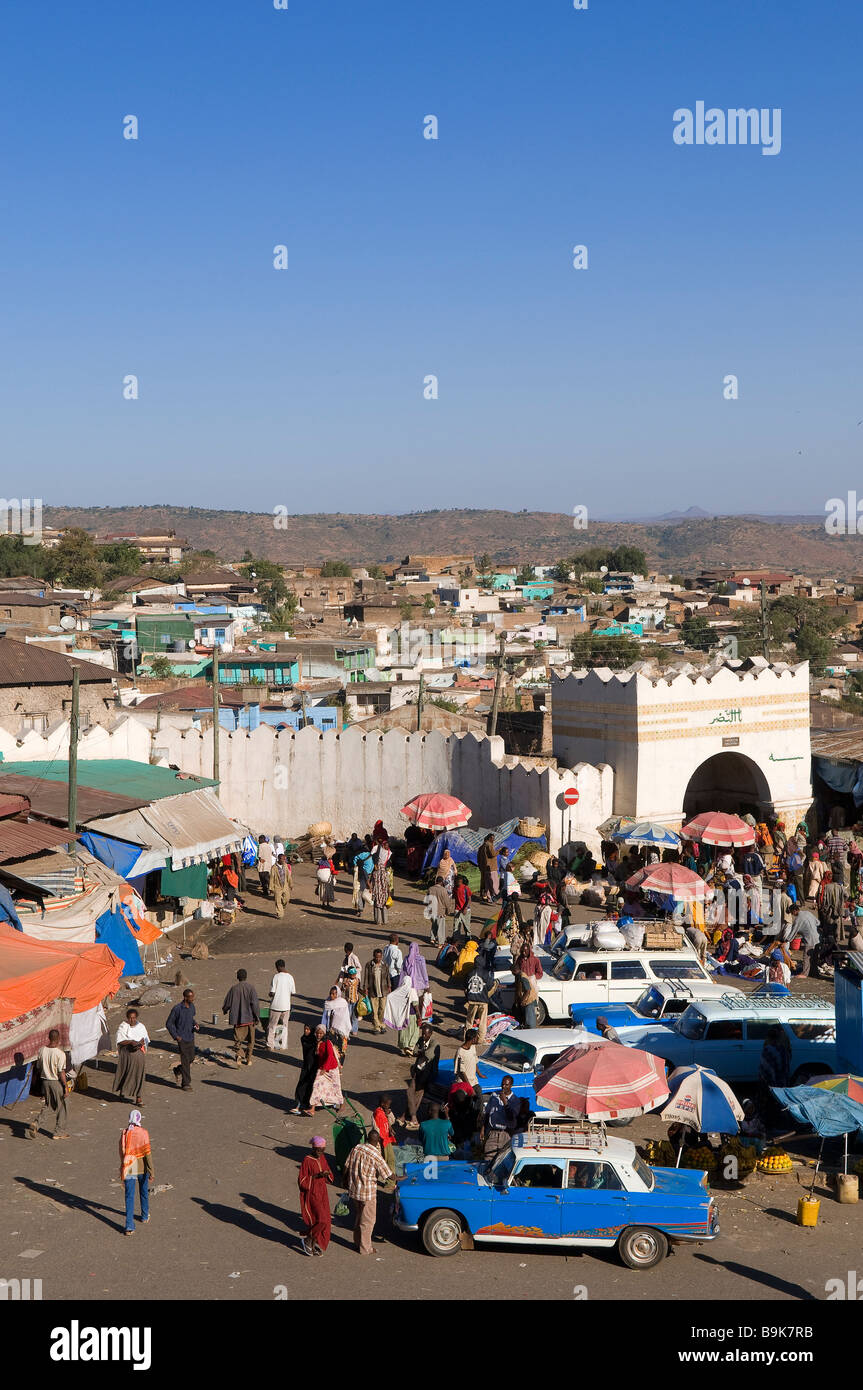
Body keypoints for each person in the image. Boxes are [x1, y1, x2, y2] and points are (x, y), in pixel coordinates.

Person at [343, 1131, 392, 1255]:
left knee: (359, 1217)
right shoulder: (376, 1154)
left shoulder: (357, 1148)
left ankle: (357, 1242)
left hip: (354, 1189)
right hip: (368, 1193)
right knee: (368, 1221)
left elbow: (346, 1166)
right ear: (377, 1142)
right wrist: (401, 1178)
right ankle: (365, 1248)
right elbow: (388, 1174)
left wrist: (344, 1181)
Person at [298, 1136, 334, 1256]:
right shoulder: (307, 1160)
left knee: (325, 1220)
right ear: (313, 1149)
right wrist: (316, 1176)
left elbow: (328, 1172)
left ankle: (313, 1243)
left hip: (322, 1192)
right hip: (312, 1193)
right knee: (321, 1219)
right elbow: (302, 1180)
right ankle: (308, 1239)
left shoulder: (322, 1158)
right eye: (318, 1150)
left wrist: (327, 1174)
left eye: (322, 1150)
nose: (320, 1153)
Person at [119, 1109, 153, 1236]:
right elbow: (148, 1154)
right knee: (144, 1192)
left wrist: (123, 1166)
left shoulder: (125, 1133)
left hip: (129, 1167)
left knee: (129, 1196)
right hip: (142, 1167)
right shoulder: (144, 1133)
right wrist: (152, 1171)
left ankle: (129, 1226)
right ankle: (144, 1215)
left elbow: (122, 1152)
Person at [28, 1029, 68, 1139]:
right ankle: (59, 1132)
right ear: (58, 1039)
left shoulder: (41, 1050)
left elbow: (39, 1067)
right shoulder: (60, 1054)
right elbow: (61, 1072)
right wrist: (65, 1087)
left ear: (49, 1038)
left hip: (44, 1081)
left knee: (48, 1105)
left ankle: (36, 1123)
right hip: (55, 1082)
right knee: (62, 1106)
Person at [222, 968, 260, 1066]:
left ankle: (239, 1054)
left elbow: (227, 1003)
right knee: (251, 1041)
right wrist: (257, 1017)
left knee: (238, 1040)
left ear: (237, 977)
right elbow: (255, 1004)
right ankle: (248, 1059)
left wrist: (225, 1010)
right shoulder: (251, 988)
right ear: (246, 977)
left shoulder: (233, 988)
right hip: (249, 1019)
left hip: (238, 1020)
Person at [404, 1023, 440, 1129]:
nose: (424, 1036)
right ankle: (412, 1117)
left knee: (416, 1093)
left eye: (426, 1034)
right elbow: (415, 1052)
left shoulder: (434, 1043)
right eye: (423, 1034)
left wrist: (420, 1052)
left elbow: (428, 1055)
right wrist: (420, 1052)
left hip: (427, 1073)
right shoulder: (421, 1040)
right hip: (418, 1070)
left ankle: (411, 1117)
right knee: (412, 1093)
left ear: (431, 1034)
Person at [113, 1007, 149, 1104]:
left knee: (139, 1075)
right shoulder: (123, 1026)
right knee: (126, 1073)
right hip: (127, 1054)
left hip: (139, 1054)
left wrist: (140, 1043)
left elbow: (145, 1040)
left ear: (136, 1017)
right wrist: (131, 1042)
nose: (132, 1020)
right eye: (130, 1018)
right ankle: (123, 1091)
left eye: (133, 1018)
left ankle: (139, 1097)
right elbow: (120, 1040)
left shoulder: (141, 1027)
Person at [166, 988, 199, 1091]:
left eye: (193, 996)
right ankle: (186, 1084)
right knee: (185, 1061)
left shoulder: (192, 1007)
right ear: (185, 997)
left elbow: (191, 1018)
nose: (193, 998)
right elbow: (169, 1023)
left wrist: (195, 1024)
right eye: (191, 997)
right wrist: (176, 1036)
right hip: (182, 1038)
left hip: (190, 1036)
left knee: (191, 1058)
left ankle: (178, 1069)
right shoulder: (177, 1009)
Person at [307, 1027, 343, 1114]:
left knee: (336, 1087)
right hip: (322, 1068)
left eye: (321, 1033)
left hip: (331, 1068)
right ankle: (312, 1108)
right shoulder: (318, 1043)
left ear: (324, 1034)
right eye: (317, 1033)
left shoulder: (327, 1043)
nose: (319, 1035)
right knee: (317, 1086)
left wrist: (325, 1068)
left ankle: (342, 1105)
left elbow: (330, 1056)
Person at [267, 959, 296, 1052]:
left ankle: (270, 1045)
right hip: (286, 1006)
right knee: (284, 1025)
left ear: (278, 967)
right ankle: (283, 1044)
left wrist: (270, 994)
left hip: (276, 1005)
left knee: (272, 1026)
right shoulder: (290, 977)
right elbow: (293, 992)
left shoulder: (276, 977)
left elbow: (272, 992)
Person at [483, 1075, 517, 1157]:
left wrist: (505, 1102)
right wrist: (483, 1128)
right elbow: (487, 1113)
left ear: (511, 1086)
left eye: (506, 1085)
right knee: (488, 1157)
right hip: (493, 1133)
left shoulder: (515, 1100)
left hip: (506, 1134)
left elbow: (511, 1117)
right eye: (502, 1084)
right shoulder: (494, 1095)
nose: (503, 1087)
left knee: (503, 1159)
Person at [290, 1023, 318, 1115]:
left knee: (311, 1085)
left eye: (308, 1029)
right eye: (305, 1029)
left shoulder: (315, 1040)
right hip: (306, 1065)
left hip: (314, 1066)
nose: (306, 1031)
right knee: (301, 1085)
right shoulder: (303, 1039)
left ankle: (309, 1106)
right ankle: (298, 1105)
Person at [362, 948, 391, 1034]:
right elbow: (366, 977)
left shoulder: (385, 965)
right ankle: (376, 1027)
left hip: (383, 990)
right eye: (376, 957)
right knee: (374, 1010)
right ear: (373, 956)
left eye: (379, 957)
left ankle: (381, 1024)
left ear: (381, 956)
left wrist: (389, 986)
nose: (378, 959)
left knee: (382, 1009)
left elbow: (387, 977)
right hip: (373, 990)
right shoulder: (369, 965)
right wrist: (365, 988)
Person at [794, 898, 822, 979]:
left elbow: (793, 931)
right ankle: (814, 972)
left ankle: (805, 973)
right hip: (817, 938)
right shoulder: (808, 912)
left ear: (795, 911)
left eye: (793, 912)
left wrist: (786, 939)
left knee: (806, 957)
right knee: (814, 957)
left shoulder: (798, 918)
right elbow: (818, 922)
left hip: (809, 939)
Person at [322, 985, 352, 1062]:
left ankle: (339, 1067)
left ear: (337, 994)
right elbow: (324, 1017)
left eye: (334, 994)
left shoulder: (343, 1003)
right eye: (330, 993)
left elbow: (344, 1017)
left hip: (342, 1030)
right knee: (331, 1049)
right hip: (330, 1030)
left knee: (341, 1050)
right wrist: (323, 1028)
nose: (332, 995)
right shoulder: (327, 1003)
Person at [370, 834, 392, 926]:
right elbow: (387, 883)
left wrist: (371, 889)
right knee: (383, 905)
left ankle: (378, 921)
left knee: (377, 906)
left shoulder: (375, 873)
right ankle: (385, 920)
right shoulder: (385, 873)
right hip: (384, 892)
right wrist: (389, 892)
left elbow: (371, 881)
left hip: (377, 892)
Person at [372, 1094, 398, 1173]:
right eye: (388, 1104)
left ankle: (389, 1178)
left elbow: (392, 1121)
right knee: (387, 1159)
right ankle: (389, 1180)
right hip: (382, 1140)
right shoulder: (377, 1113)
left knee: (390, 1159)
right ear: (382, 1104)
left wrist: (389, 1113)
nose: (389, 1106)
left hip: (387, 1139)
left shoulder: (385, 1111)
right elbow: (376, 1127)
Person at [478, 833, 499, 902]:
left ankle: (484, 896)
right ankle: (493, 896)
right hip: (490, 867)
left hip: (484, 867)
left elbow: (478, 858)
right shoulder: (489, 845)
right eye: (492, 838)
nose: (494, 840)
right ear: (489, 838)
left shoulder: (481, 847)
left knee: (485, 883)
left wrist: (480, 866)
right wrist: (499, 851)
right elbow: (492, 854)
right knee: (493, 883)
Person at [272, 854, 292, 918]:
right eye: (283, 859)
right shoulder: (274, 867)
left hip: (285, 886)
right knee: (278, 901)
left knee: (286, 899)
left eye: (285, 859)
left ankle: (282, 907)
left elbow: (288, 876)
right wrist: (271, 887)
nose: (284, 860)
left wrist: (290, 884)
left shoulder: (285, 866)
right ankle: (280, 914)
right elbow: (272, 878)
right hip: (277, 886)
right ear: (279, 859)